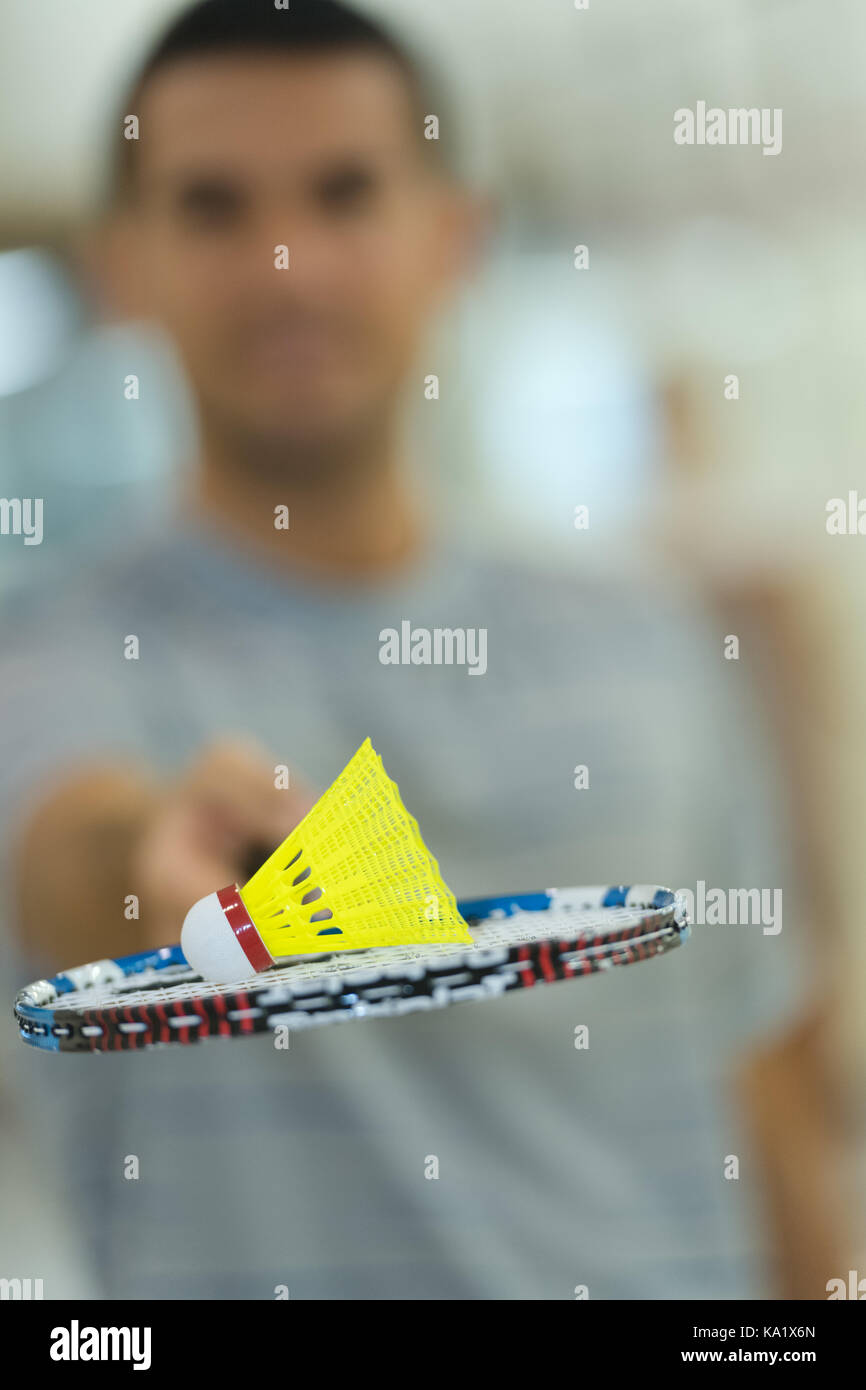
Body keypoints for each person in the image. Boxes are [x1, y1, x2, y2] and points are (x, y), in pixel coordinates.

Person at [0, 0, 837, 1298]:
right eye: (215, 207)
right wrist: (149, 861)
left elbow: (756, 1078)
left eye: (344, 194)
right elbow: (71, 851)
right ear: (125, 268)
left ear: (454, 237)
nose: (287, 263)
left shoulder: (652, 649)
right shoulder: (51, 667)